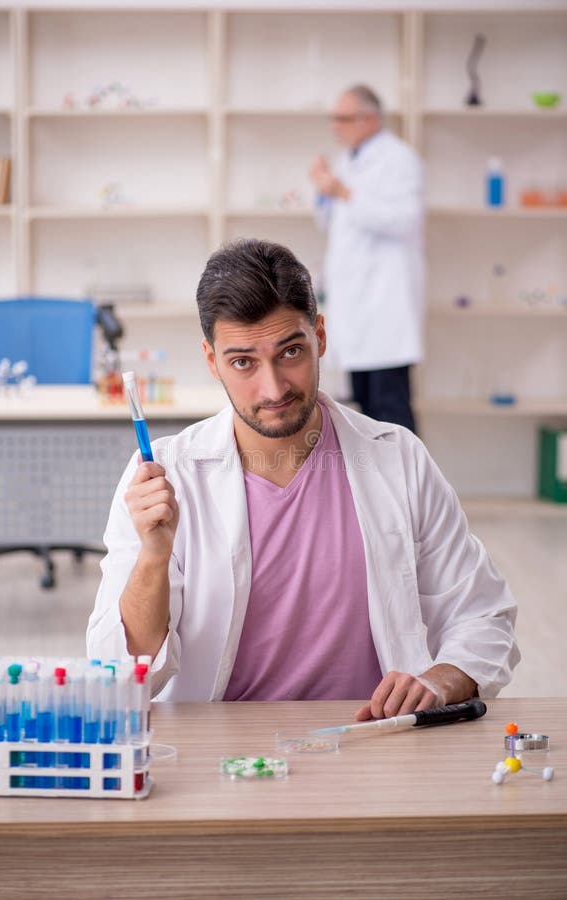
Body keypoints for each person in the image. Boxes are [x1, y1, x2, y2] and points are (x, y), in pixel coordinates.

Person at [87, 239, 519, 720]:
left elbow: (483, 616)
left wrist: (441, 680)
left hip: (370, 743)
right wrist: (153, 557)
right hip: (221, 754)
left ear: (320, 337)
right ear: (212, 361)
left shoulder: (398, 459)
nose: (272, 389)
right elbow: (121, 672)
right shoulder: (166, 475)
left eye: (291, 351)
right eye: (243, 362)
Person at [309, 84, 423, 433]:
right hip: (356, 310)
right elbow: (330, 223)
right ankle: (375, 487)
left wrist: (341, 190)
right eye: (333, 118)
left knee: (391, 412)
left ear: (370, 119)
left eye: (343, 118)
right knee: (365, 412)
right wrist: (325, 191)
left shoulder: (399, 159)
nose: (335, 127)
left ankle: (406, 488)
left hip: (385, 308)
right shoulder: (350, 160)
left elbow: (404, 220)